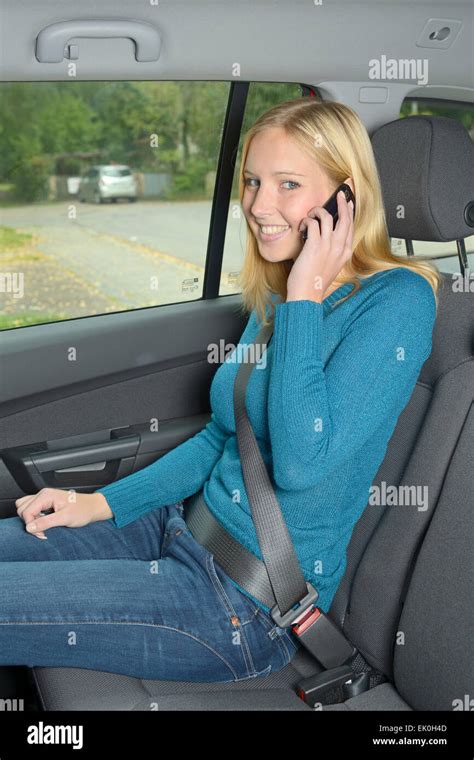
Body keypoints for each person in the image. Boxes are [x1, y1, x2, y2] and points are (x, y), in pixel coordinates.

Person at [0, 98, 441, 684]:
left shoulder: (398, 301)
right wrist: (97, 505)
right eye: (254, 181)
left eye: (288, 184)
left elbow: (302, 463)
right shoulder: (284, 294)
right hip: (179, 527)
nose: (259, 205)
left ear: (347, 196)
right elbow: (219, 439)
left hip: (242, 605)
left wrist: (306, 298)